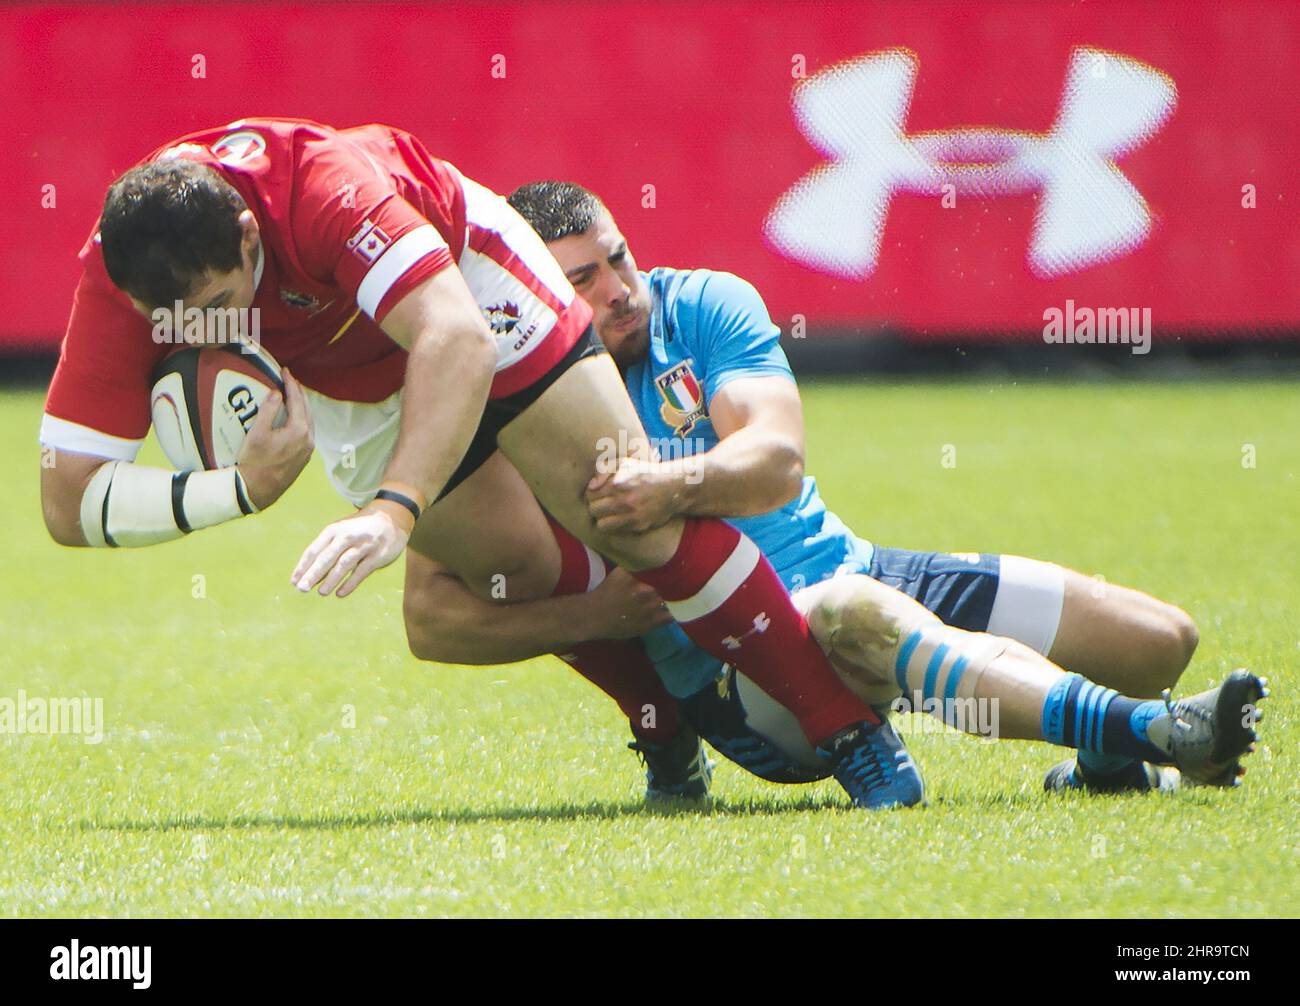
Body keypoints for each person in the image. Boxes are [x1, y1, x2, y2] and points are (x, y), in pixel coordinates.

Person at [37, 117, 908, 810]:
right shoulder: (119, 277)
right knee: (519, 571)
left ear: (243, 229)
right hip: (350, 380)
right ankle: (662, 715)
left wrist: (394, 508)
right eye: (185, 325)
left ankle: (849, 730)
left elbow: (453, 339)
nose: (212, 332)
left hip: (467, 282)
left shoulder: (323, 188)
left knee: (625, 505)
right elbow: (66, 506)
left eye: (225, 305)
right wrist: (238, 487)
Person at [399, 181, 1267, 800]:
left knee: (1157, 639)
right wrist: (599, 618)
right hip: (743, 679)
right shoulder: (511, 393)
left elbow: (775, 459)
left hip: (853, 563)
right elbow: (430, 619)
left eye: (620, 258)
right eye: (582, 280)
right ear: (540, 294)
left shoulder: (701, 304)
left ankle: (1104, 763)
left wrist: (668, 487)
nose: (621, 291)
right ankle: (1153, 732)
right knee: (856, 611)